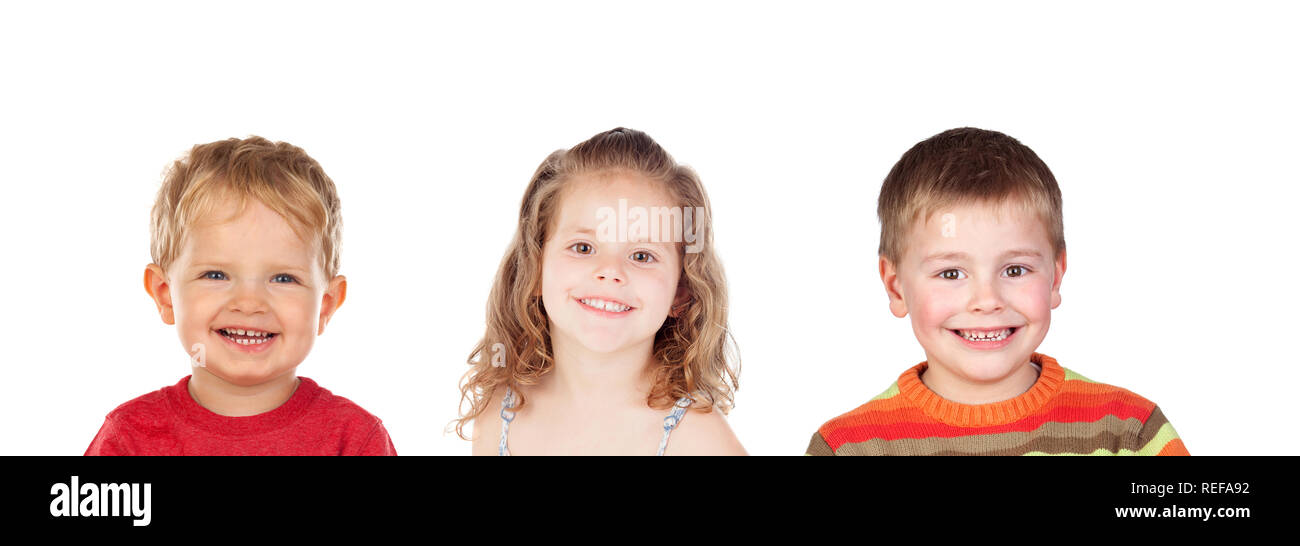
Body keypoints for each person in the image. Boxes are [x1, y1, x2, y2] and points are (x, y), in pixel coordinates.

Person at [807, 127, 1188, 456]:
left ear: (1055, 277)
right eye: (951, 273)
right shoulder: (847, 447)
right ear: (895, 286)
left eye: (1015, 270)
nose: (987, 300)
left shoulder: (1130, 434)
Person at [86, 136, 396, 455]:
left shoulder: (355, 441)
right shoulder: (127, 439)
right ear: (165, 295)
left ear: (325, 305)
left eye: (284, 278)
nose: (249, 303)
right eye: (216, 275)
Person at [458, 128, 744, 455]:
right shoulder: (499, 412)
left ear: (682, 290)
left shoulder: (700, 440)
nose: (610, 271)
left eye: (641, 255)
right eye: (583, 247)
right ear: (535, 269)